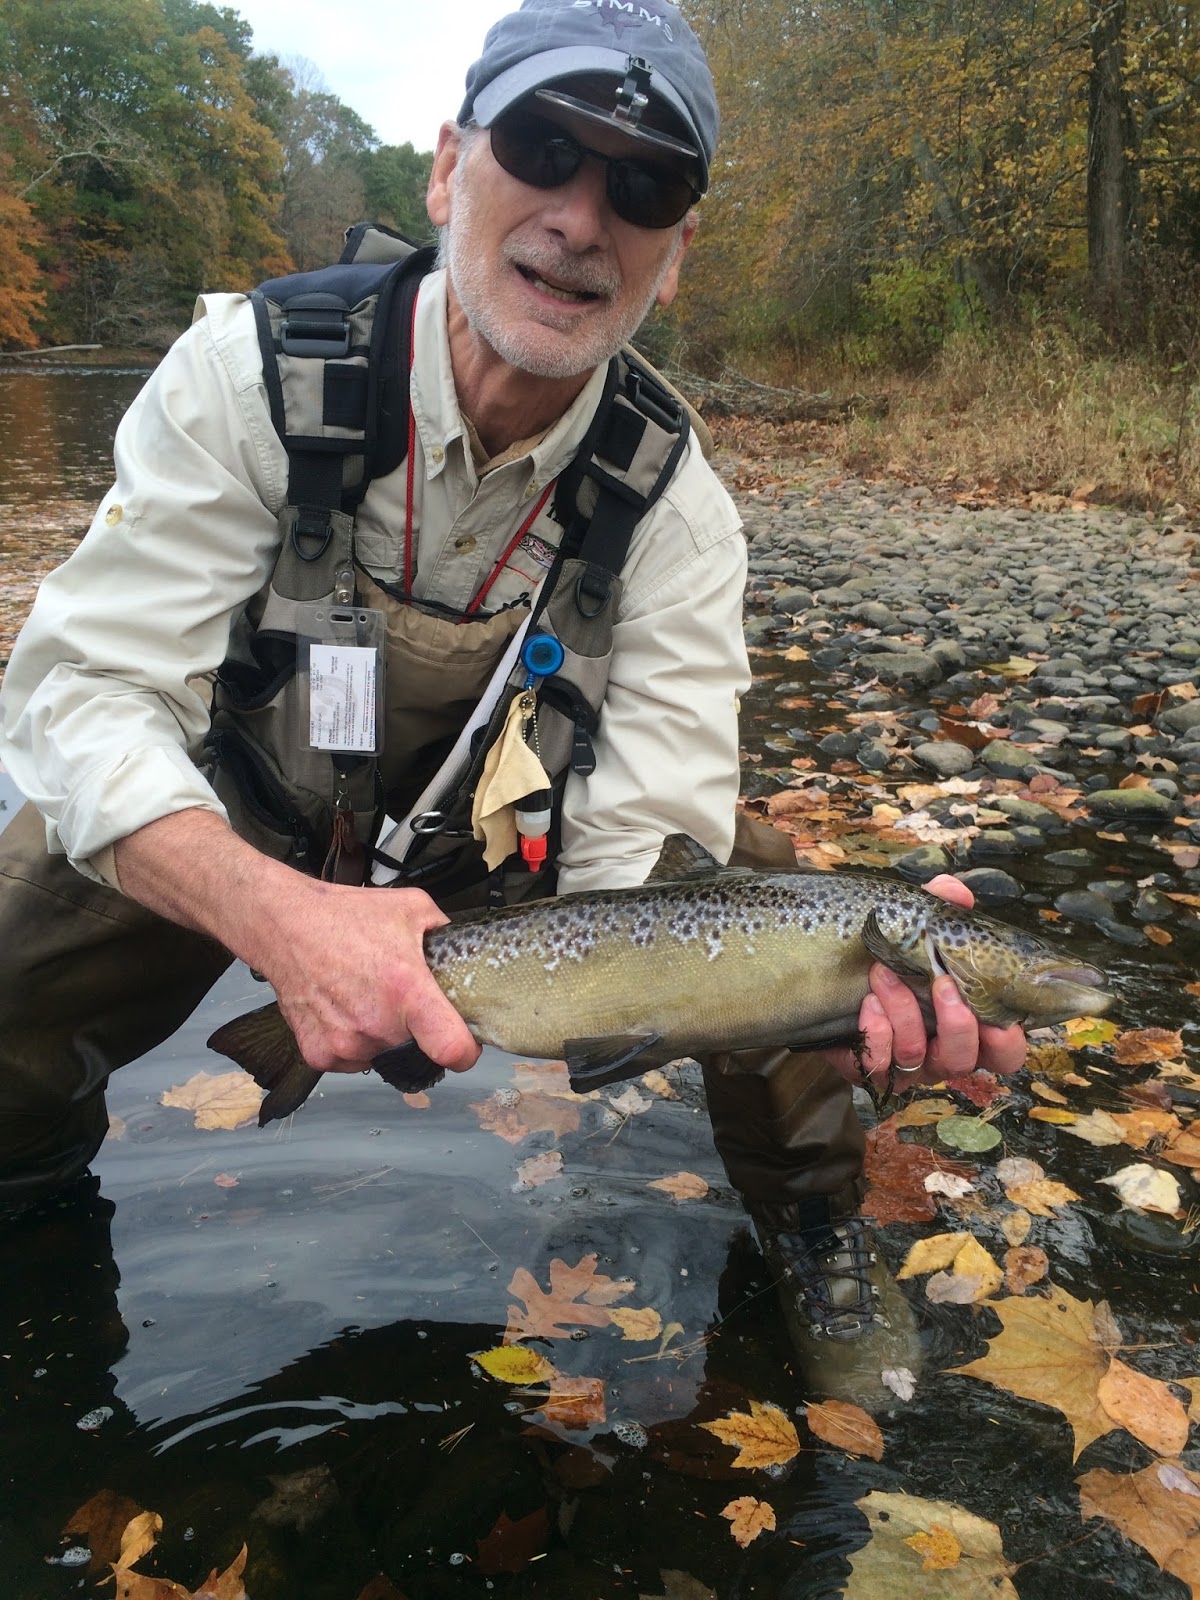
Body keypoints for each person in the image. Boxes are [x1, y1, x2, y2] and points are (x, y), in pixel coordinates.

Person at [0, 0, 1023, 1399]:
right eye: (544, 145)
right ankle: (30, 1216)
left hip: (513, 869)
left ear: (674, 256)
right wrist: (281, 918)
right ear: (447, 169)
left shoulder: (677, 510)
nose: (582, 216)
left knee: (778, 902)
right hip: (236, 820)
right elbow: (80, 699)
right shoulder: (251, 374)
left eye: (644, 184)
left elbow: (642, 859)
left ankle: (814, 1225)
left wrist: (798, 991)